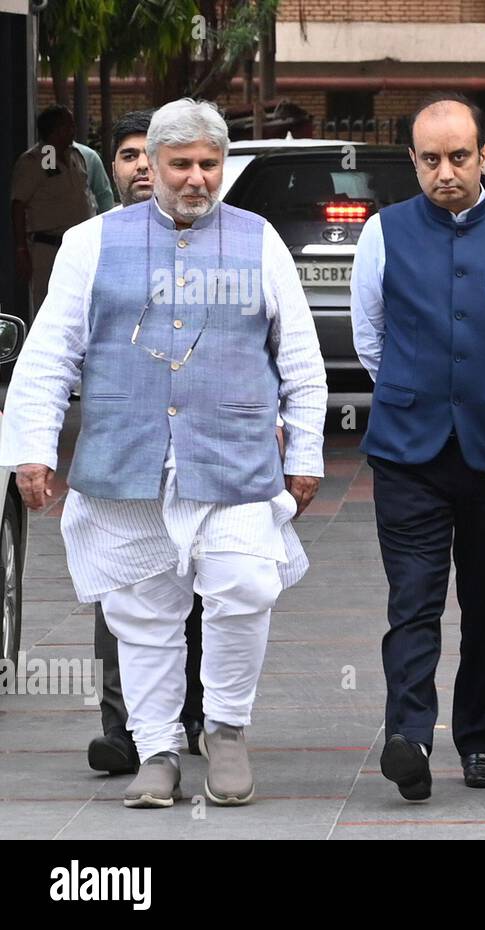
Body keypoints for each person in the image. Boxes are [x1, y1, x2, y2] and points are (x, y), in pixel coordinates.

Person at [0, 98, 328, 809]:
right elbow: (51, 352)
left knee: (244, 591)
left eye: (210, 164)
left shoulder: (258, 238)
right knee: (143, 613)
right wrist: (32, 451)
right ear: (151, 163)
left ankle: (228, 731)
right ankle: (155, 750)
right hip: (128, 459)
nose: (197, 180)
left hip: (234, 459)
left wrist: (306, 452)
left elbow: (299, 356)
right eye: (181, 165)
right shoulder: (94, 242)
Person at [350, 92, 485, 800]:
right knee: (412, 601)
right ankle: (408, 737)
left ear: (484, 157)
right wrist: (421, 392)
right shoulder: (383, 232)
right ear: (412, 161)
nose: (447, 172)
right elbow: (370, 339)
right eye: (431, 159)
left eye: (460, 157)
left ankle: (478, 743)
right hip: (409, 451)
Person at [84, 108, 210, 776]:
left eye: (147, 155)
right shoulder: (94, 244)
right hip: (123, 451)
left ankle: (189, 715)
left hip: (199, 454)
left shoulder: (218, 240)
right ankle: (124, 726)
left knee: (192, 589)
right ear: (118, 168)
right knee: (121, 588)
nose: (139, 167)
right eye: (128, 156)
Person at [10, 105, 97, 315]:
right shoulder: (36, 160)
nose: (74, 128)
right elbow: (18, 205)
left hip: (81, 246)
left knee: (84, 302)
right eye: (69, 124)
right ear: (56, 130)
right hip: (49, 246)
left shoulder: (75, 155)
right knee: (49, 305)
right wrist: (21, 249)